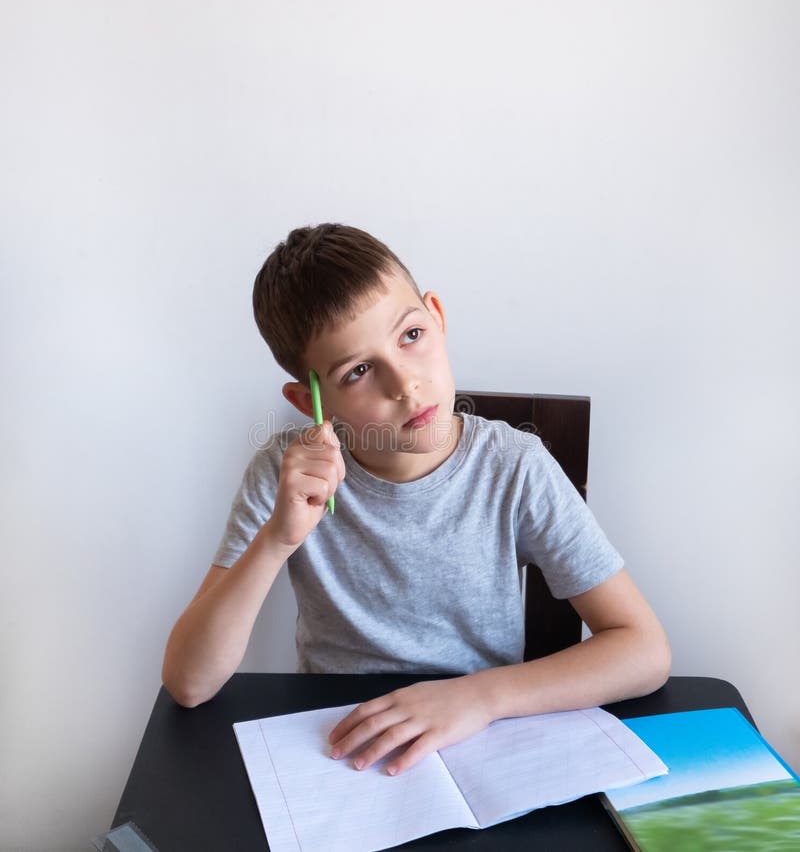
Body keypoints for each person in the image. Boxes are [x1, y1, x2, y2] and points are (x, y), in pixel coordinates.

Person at [162, 223, 671, 777]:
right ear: (309, 402)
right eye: (357, 371)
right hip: (339, 749)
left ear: (437, 317)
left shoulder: (515, 466)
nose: (404, 385)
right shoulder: (284, 476)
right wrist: (276, 541)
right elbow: (189, 684)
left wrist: (481, 698)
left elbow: (643, 651)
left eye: (410, 336)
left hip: (480, 739)